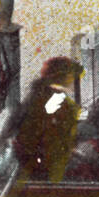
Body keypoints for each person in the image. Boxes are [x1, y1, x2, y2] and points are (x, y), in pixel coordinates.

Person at [12, 56, 84, 184]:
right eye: (71, 76)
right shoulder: (55, 99)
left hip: (38, 164)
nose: (73, 80)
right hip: (46, 167)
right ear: (63, 76)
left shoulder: (36, 95)